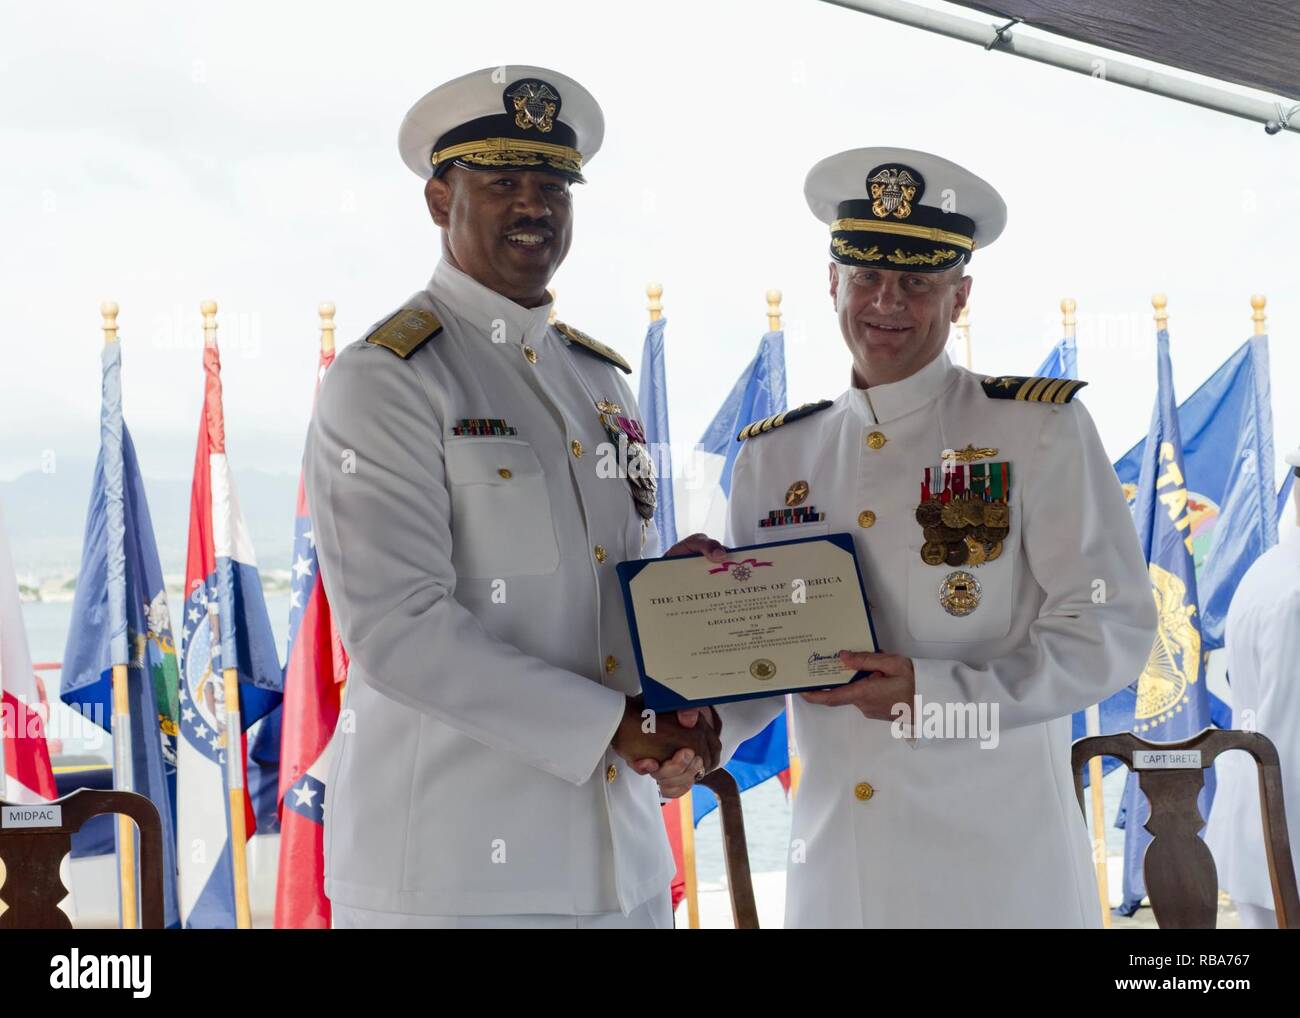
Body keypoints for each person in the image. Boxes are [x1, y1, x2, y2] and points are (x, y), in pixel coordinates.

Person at [644, 148, 1157, 928]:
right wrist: (700, 731)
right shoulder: (775, 456)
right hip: (837, 876)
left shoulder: (1036, 429)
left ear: (961, 296)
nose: (887, 302)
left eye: (917, 282)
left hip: (998, 877)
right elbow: (767, 661)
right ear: (832, 283)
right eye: (867, 277)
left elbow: (1110, 632)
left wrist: (935, 696)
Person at [305, 65, 722, 929]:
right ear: (437, 198)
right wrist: (616, 726)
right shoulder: (387, 380)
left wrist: (676, 603)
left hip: (624, 860)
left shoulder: (599, 379)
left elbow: (605, 591)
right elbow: (399, 630)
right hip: (456, 879)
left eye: (552, 185)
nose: (534, 206)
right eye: (501, 183)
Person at [1206, 447, 1300, 929]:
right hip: (1287, 838)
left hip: (1260, 830)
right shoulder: (1294, 591)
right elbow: (1290, 736)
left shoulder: (1269, 568)